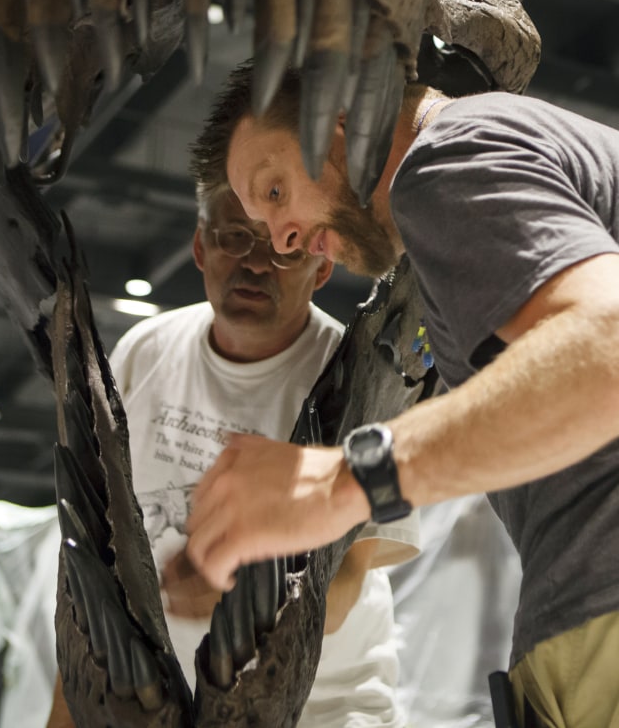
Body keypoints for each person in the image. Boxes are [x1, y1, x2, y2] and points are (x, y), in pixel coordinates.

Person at [185, 66, 619, 728]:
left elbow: (606, 347)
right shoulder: (502, 147)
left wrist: (341, 483)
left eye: (275, 192)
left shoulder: (448, 156)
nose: (281, 240)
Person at [46, 181, 419, 728]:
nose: (256, 263)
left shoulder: (363, 378)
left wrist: (228, 580)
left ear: (321, 268)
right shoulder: (143, 352)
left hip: (324, 712)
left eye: (281, 248)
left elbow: (349, 579)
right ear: (200, 247)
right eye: (235, 238)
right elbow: (91, 558)